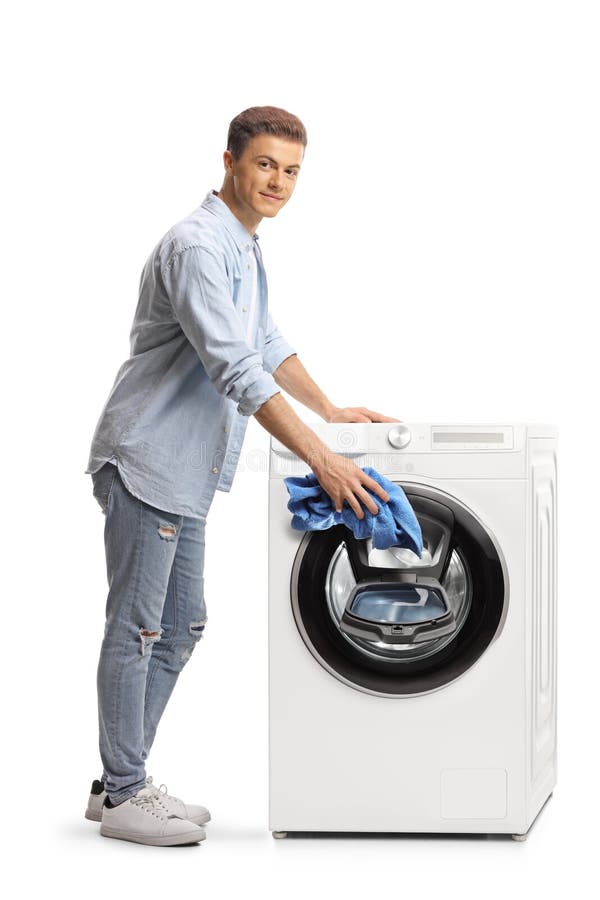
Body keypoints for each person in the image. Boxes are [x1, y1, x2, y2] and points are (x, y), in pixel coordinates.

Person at [85, 105, 397, 847]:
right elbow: (235, 368)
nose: (278, 183)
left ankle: (117, 782)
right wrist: (320, 457)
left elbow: (265, 341)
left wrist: (329, 411)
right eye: (265, 165)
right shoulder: (199, 245)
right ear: (228, 161)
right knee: (139, 628)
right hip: (147, 459)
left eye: (291, 171)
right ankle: (126, 790)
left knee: (182, 624)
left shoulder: (243, 246)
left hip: (185, 469)